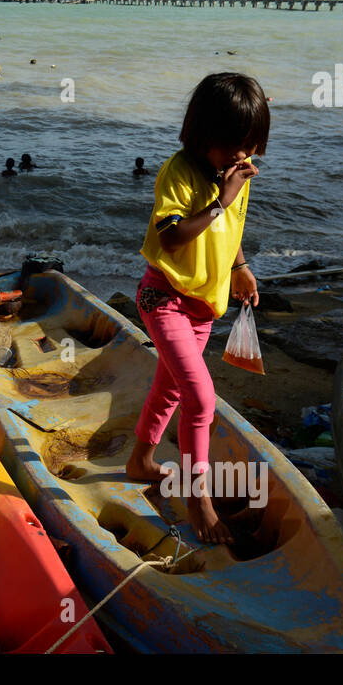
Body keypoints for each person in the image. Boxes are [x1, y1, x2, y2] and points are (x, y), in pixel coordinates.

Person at [125, 72, 267, 545]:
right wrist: (221, 200)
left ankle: (141, 461)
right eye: (232, 145)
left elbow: (233, 230)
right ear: (203, 133)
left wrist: (241, 267)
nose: (241, 157)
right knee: (201, 399)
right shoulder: (178, 172)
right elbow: (171, 235)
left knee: (170, 390)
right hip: (163, 298)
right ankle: (198, 500)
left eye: (249, 146)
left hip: (206, 304)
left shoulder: (237, 173)